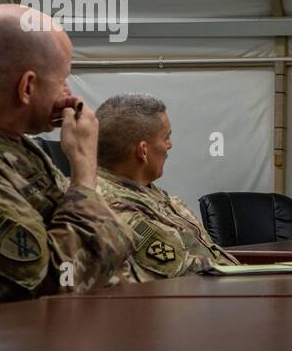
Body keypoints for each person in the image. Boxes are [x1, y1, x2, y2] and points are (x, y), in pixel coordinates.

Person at [0, 4, 133, 304]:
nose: (68, 94)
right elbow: (55, 282)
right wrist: (84, 169)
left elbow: (117, 236)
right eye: (62, 80)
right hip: (35, 342)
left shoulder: (10, 142)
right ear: (27, 87)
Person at [95, 94, 237, 279]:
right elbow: (187, 272)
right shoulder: (114, 207)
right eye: (166, 137)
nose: (169, 145)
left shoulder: (144, 189)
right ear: (143, 150)